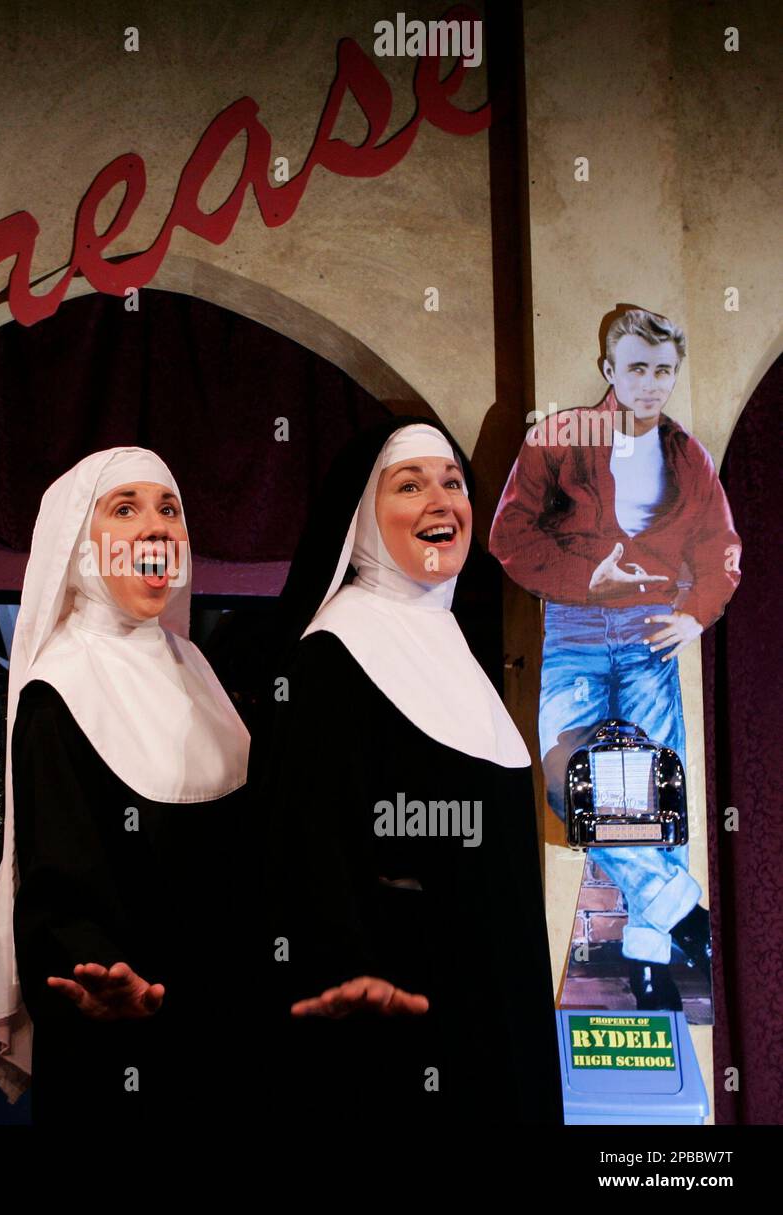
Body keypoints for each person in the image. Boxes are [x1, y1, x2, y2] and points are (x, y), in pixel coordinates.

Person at [259, 418, 562, 1123]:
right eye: (410, 483)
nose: (441, 499)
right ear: (366, 517)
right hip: (406, 1042)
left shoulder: (456, 648)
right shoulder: (332, 657)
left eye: (453, 482)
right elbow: (306, 862)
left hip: (501, 1021)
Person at [0, 447, 251, 1124]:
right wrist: (93, 968)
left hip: (224, 1030)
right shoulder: (59, 688)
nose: (156, 526)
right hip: (119, 1042)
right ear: (79, 546)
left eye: (170, 509)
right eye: (124, 508)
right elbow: (53, 890)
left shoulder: (196, 669)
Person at [490, 308, 740, 1009]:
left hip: (651, 633)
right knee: (569, 777)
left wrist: (694, 614)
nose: (652, 383)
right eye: (638, 368)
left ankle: (652, 955)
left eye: (664, 370)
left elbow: (722, 549)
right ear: (609, 370)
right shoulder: (560, 440)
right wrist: (584, 580)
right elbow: (508, 537)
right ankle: (680, 907)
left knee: (656, 789)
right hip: (573, 628)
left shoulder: (688, 455)